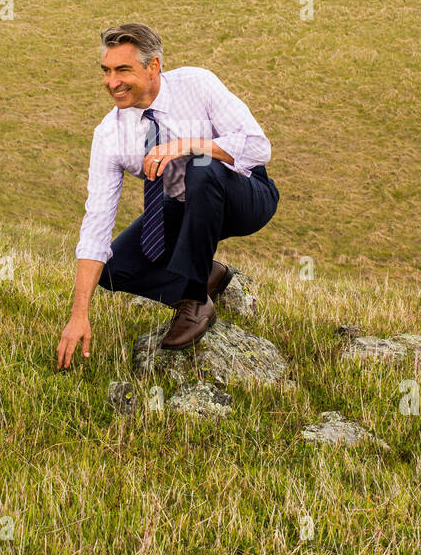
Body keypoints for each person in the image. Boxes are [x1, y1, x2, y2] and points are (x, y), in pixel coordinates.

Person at [56, 22, 279, 370]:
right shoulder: (109, 136)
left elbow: (258, 147)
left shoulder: (198, 84)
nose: (111, 83)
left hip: (244, 195)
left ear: (154, 66)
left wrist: (187, 146)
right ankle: (206, 274)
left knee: (202, 168)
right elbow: (96, 224)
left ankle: (194, 301)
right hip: (181, 207)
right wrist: (78, 315)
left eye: (123, 70)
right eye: (106, 71)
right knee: (114, 270)